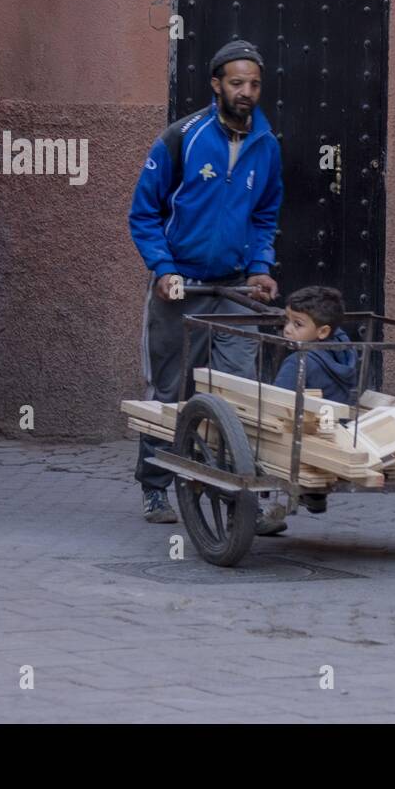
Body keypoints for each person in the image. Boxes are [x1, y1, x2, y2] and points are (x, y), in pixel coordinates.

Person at [128, 39, 283, 525]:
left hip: (234, 288)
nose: (247, 92)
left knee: (241, 392)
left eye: (254, 84)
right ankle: (155, 487)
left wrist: (260, 267)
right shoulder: (181, 138)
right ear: (216, 84)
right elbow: (143, 213)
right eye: (237, 82)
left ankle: (245, 496)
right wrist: (163, 269)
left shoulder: (267, 144)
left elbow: (265, 214)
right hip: (181, 289)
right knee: (170, 391)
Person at [272, 286, 359, 516]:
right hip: (336, 430)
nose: (287, 330)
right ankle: (315, 494)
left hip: (304, 435)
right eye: (287, 321)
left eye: (297, 324)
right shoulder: (344, 349)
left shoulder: (298, 362)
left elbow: (278, 402)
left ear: (322, 332)